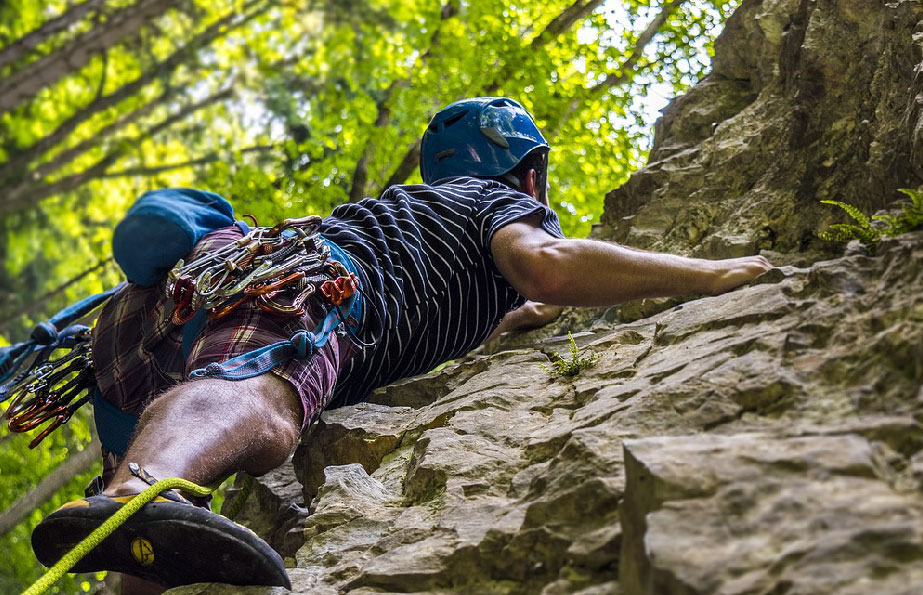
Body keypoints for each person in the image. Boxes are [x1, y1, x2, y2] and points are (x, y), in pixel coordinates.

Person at [32, 97, 771, 591]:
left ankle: (131, 513)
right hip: (309, 284)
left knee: (151, 538)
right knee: (270, 402)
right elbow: (545, 264)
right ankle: (134, 490)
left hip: (146, 330)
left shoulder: (423, 225)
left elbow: (504, 305)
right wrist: (710, 273)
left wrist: (517, 318)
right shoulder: (498, 203)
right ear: (530, 173)